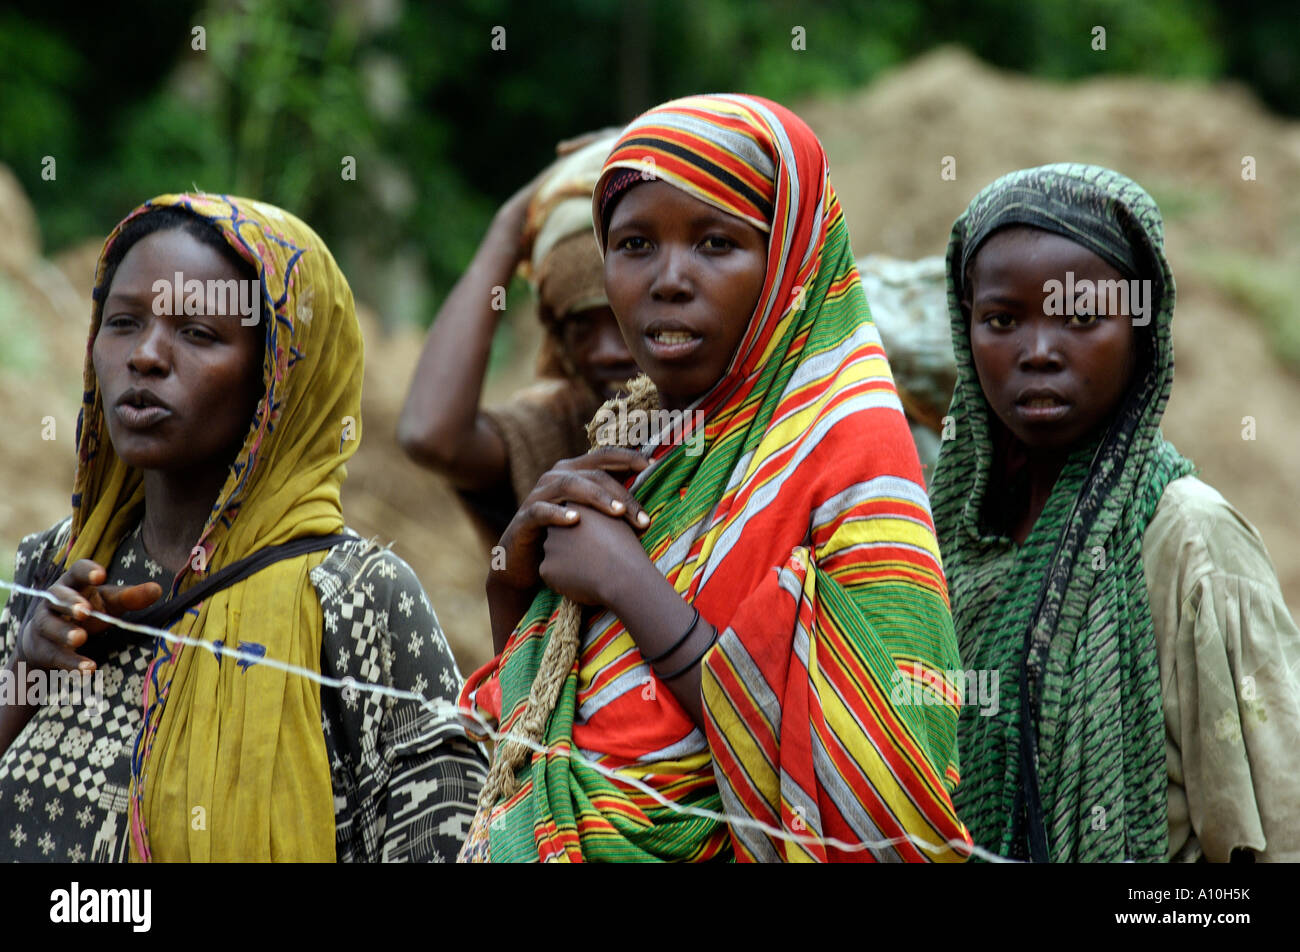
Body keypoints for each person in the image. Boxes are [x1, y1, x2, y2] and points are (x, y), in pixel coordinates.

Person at [457, 94, 972, 863]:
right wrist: (515, 577)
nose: (668, 279)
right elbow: (562, 723)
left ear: (792, 260)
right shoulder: (634, 437)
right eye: (634, 244)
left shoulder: (846, 444)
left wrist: (630, 583)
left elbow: (882, 787)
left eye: (716, 243)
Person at [0, 194, 486, 862]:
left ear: (280, 377)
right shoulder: (56, 568)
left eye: (197, 334)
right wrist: (26, 669)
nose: (145, 356)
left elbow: (448, 842)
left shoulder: (355, 599)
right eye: (121, 322)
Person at [930, 163, 1300, 862]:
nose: (1038, 352)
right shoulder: (948, 543)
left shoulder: (1192, 541)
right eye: (1003, 320)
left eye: (1081, 318)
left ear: (1141, 331)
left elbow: (1279, 832)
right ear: (966, 329)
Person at [399, 132, 639, 549]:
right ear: (559, 339)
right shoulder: (563, 428)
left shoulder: (736, 418)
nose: (608, 352)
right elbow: (432, 436)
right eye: (580, 328)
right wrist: (511, 224)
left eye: (624, 320)